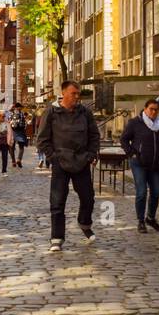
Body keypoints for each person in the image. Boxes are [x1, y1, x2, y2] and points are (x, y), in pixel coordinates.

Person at [36, 80, 101, 252]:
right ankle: (57, 237)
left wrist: (91, 154)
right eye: (74, 93)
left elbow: (94, 136)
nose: (77, 97)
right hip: (61, 162)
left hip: (81, 161)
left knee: (88, 197)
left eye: (78, 93)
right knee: (57, 201)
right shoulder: (51, 112)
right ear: (63, 93)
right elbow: (42, 139)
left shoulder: (85, 112)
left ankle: (84, 223)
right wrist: (53, 157)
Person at [121, 98, 159, 234]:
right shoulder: (135, 122)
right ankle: (140, 221)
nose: (154, 112)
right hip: (139, 163)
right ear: (145, 109)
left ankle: (151, 218)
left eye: (156, 110)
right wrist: (132, 153)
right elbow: (124, 139)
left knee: (156, 192)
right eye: (151, 109)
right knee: (141, 192)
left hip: (155, 164)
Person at [10, 103, 28, 168]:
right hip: (20, 131)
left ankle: (13, 161)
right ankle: (19, 159)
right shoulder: (22, 114)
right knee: (21, 147)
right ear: (19, 107)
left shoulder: (11, 114)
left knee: (11, 147)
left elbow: (9, 123)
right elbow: (25, 124)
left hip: (13, 132)